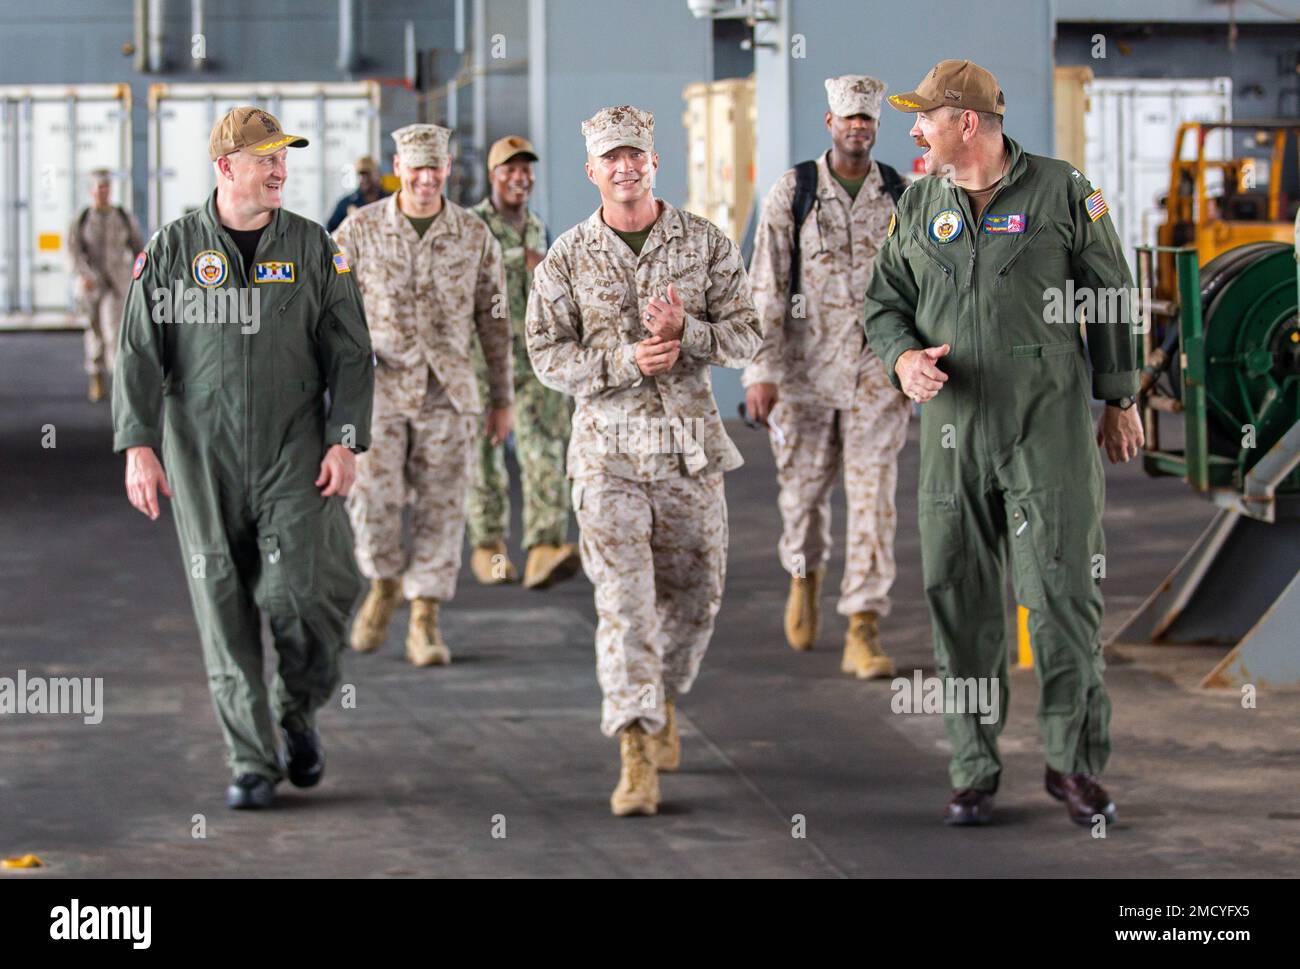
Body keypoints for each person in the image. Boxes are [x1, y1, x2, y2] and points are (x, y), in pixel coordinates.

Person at [862, 60, 1144, 827]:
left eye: (926, 117)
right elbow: (883, 302)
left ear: (969, 122)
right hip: (953, 432)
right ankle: (974, 765)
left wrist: (1119, 397)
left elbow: (1111, 292)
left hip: (1045, 426)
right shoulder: (918, 205)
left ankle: (1074, 763)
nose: (913, 129)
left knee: (1061, 596)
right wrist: (902, 357)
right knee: (960, 598)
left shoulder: (1062, 191)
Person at [112, 106, 375, 810]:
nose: (280, 169)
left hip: (294, 449)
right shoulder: (170, 251)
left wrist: (345, 438)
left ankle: (297, 711)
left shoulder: (316, 249)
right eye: (267, 158)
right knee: (222, 603)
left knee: (307, 593)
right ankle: (251, 760)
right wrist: (138, 443)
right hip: (201, 455)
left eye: (283, 157)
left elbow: (350, 352)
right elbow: (139, 352)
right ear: (227, 167)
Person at [526, 105, 760, 816]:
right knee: (624, 603)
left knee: (697, 594)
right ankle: (634, 743)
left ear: (655, 164)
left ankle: (660, 694)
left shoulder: (705, 243)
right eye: (611, 158)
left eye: (637, 155)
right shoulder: (567, 255)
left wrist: (687, 331)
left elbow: (749, 336)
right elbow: (545, 354)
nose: (625, 167)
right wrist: (624, 359)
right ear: (591, 171)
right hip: (608, 456)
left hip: (689, 452)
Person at [743, 74, 910, 679]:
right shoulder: (795, 190)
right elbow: (764, 284)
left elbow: (921, 282)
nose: (858, 128)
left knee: (874, 499)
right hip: (803, 371)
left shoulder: (899, 192)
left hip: (874, 369)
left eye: (867, 119)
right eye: (848, 119)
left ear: (875, 127)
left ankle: (863, 625)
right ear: (829, 123)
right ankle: (804, 575)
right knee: (803, 499)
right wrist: (760, 371)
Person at [335, 124, 511, 667]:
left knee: (443, 506)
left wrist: (502, 398)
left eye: (436, 168)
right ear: (398, 166)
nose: (427, 178)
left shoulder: (474, 234)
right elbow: (326, 307)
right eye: (416, 168)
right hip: (380, 391)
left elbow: (495, 321)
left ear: (449, 168)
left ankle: (425, 618)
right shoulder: (358, 231)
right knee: (371, 502)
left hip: (448, 393)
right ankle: (385, 583)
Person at [467, 135, 580, 590]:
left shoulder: (536, 224)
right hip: (484, 360)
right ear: (493, 176)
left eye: (526, 169)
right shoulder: (470, 226)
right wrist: (523, 260)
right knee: (485, 455)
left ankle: (544, 548)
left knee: (546, 446)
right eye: (510, 169)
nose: (520, 177)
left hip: (536, 358)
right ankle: (490, 549)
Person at [68, 168, 143, 402]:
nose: (103, 192)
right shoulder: (82, 220)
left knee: (114, 331)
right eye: (99, 187)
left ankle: (117, 378)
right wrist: (84, 274)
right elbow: (73, 252)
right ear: (92, 191)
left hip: (117, 284)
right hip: (92, 285)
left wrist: (139, 273)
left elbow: (137, 247)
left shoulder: (122, 217)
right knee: (94, 331)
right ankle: (96, 375)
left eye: (106, 187)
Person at [326, 155, 389, 232]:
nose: (363, 179)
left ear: (378, 174)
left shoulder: (390, 200)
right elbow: (330, 233)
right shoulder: (346, 204)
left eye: (367, 174)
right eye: (360, 174)